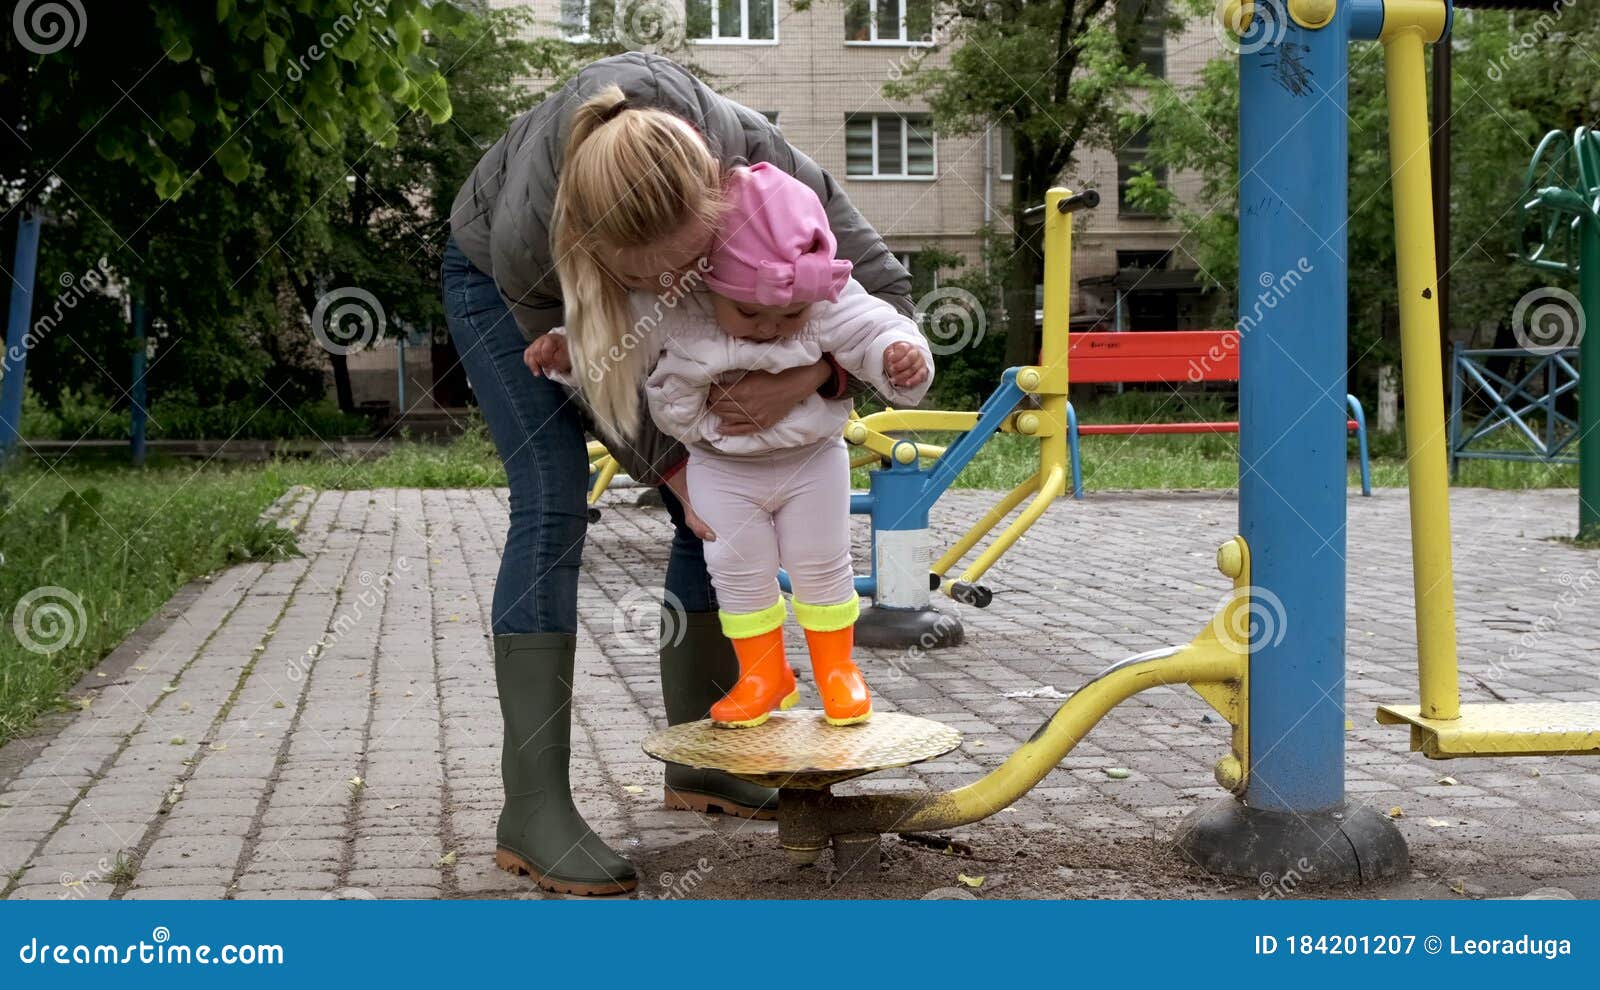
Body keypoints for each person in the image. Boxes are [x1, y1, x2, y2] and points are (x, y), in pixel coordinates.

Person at [442, 53, 912, 896]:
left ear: (723, 200)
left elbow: (880, 291)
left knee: (726, 475)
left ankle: (706, 761)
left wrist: (812, 378)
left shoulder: (757, 163)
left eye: (690, 267)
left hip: (632, 268)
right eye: (647, 279)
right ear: (598, 252)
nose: (669, 292)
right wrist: (672, 469)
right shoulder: (533, 241)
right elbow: (606, 377)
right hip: (505, 292)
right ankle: (533, 806)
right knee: (553, 499)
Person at [532, 163, 932, 729]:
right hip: (719, 467)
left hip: (812, 461)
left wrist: (900, 354)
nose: (771, 328)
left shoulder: (825, 300)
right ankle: (765, 675)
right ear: (708, 278)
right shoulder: (678, 306)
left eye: (790, 315)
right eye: (749, 313)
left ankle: (838, 670)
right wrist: (569, 351)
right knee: (735, 569)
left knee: (821, 563)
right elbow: (618, 337)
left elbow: (876, 327)